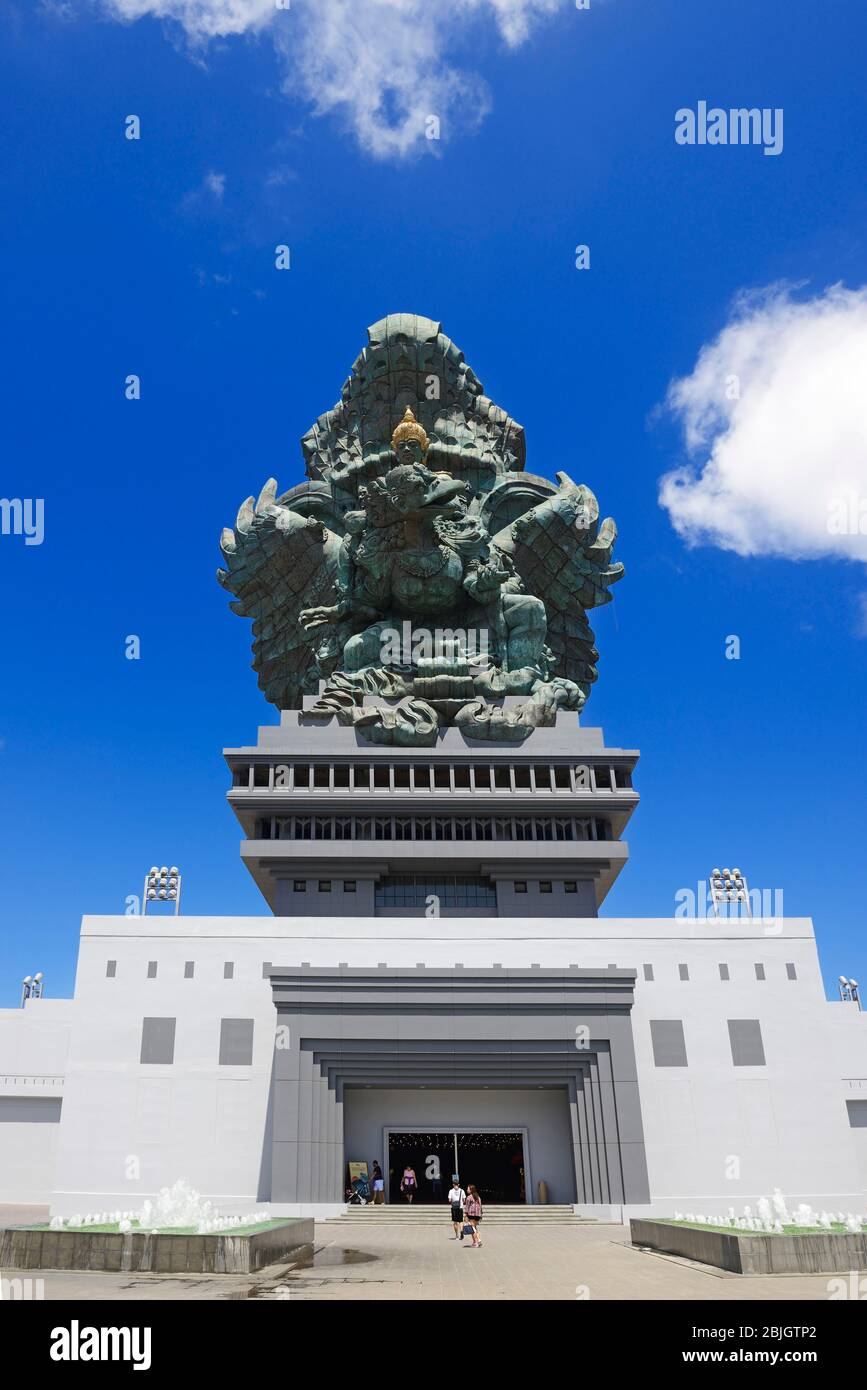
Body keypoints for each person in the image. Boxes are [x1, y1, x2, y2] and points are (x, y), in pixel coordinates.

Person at [447, 1174, 466, 1239]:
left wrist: (453, 1201)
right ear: (458, 1184)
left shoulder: (451, 1191)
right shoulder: (462, 1191)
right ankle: (461, 1231)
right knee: (461, 1221)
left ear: (453, 1184)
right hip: (460, 1207)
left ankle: (457, 1235)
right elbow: (464, 1200)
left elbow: (449, 1200)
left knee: (455, 1222)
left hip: (454, 1208)